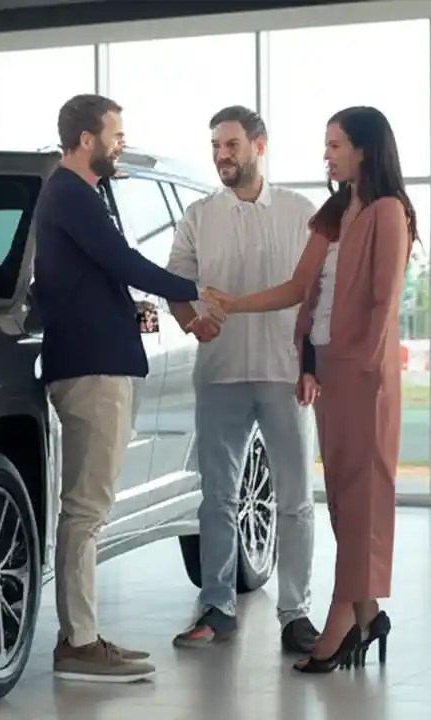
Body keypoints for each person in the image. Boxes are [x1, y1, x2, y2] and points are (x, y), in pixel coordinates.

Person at [206, 105, 414, 673]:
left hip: (365, 377)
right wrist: (235, 304)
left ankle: (344, 616)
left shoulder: (389, 212)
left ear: (365, 150)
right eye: (326, 145)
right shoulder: (333, 214)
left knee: (365, 497)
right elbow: (300, 288)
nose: (326, 155)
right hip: (329, 372)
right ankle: (369, 614)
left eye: (336, 145)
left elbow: (384, 302)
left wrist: (365, 371)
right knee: (344, 501)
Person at [33, 93, 225, 683]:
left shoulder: (78, 195)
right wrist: (194, 288)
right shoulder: (72, 193)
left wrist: (128, 308)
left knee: (87, 507)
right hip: (92, 370)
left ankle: (82, 635)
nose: (121, 144)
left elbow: (95, 275)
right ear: (86, 139)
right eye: (115, 135)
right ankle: (78, 643)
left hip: (98, 361)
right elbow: (123, 260)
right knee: (86, 509)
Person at [165, 106, 321, 654]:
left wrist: (313, 365)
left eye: (230, 144)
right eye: (215, 145)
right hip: (220, 374)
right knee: (217, 498)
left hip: (285, 374)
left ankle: (296, 614)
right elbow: (175, 282)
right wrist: (191, 321)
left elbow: (317, 295)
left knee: (295, 500)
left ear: (259, 145)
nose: (220, 155)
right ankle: (217, 608)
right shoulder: (199, 215)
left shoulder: (301, 212)